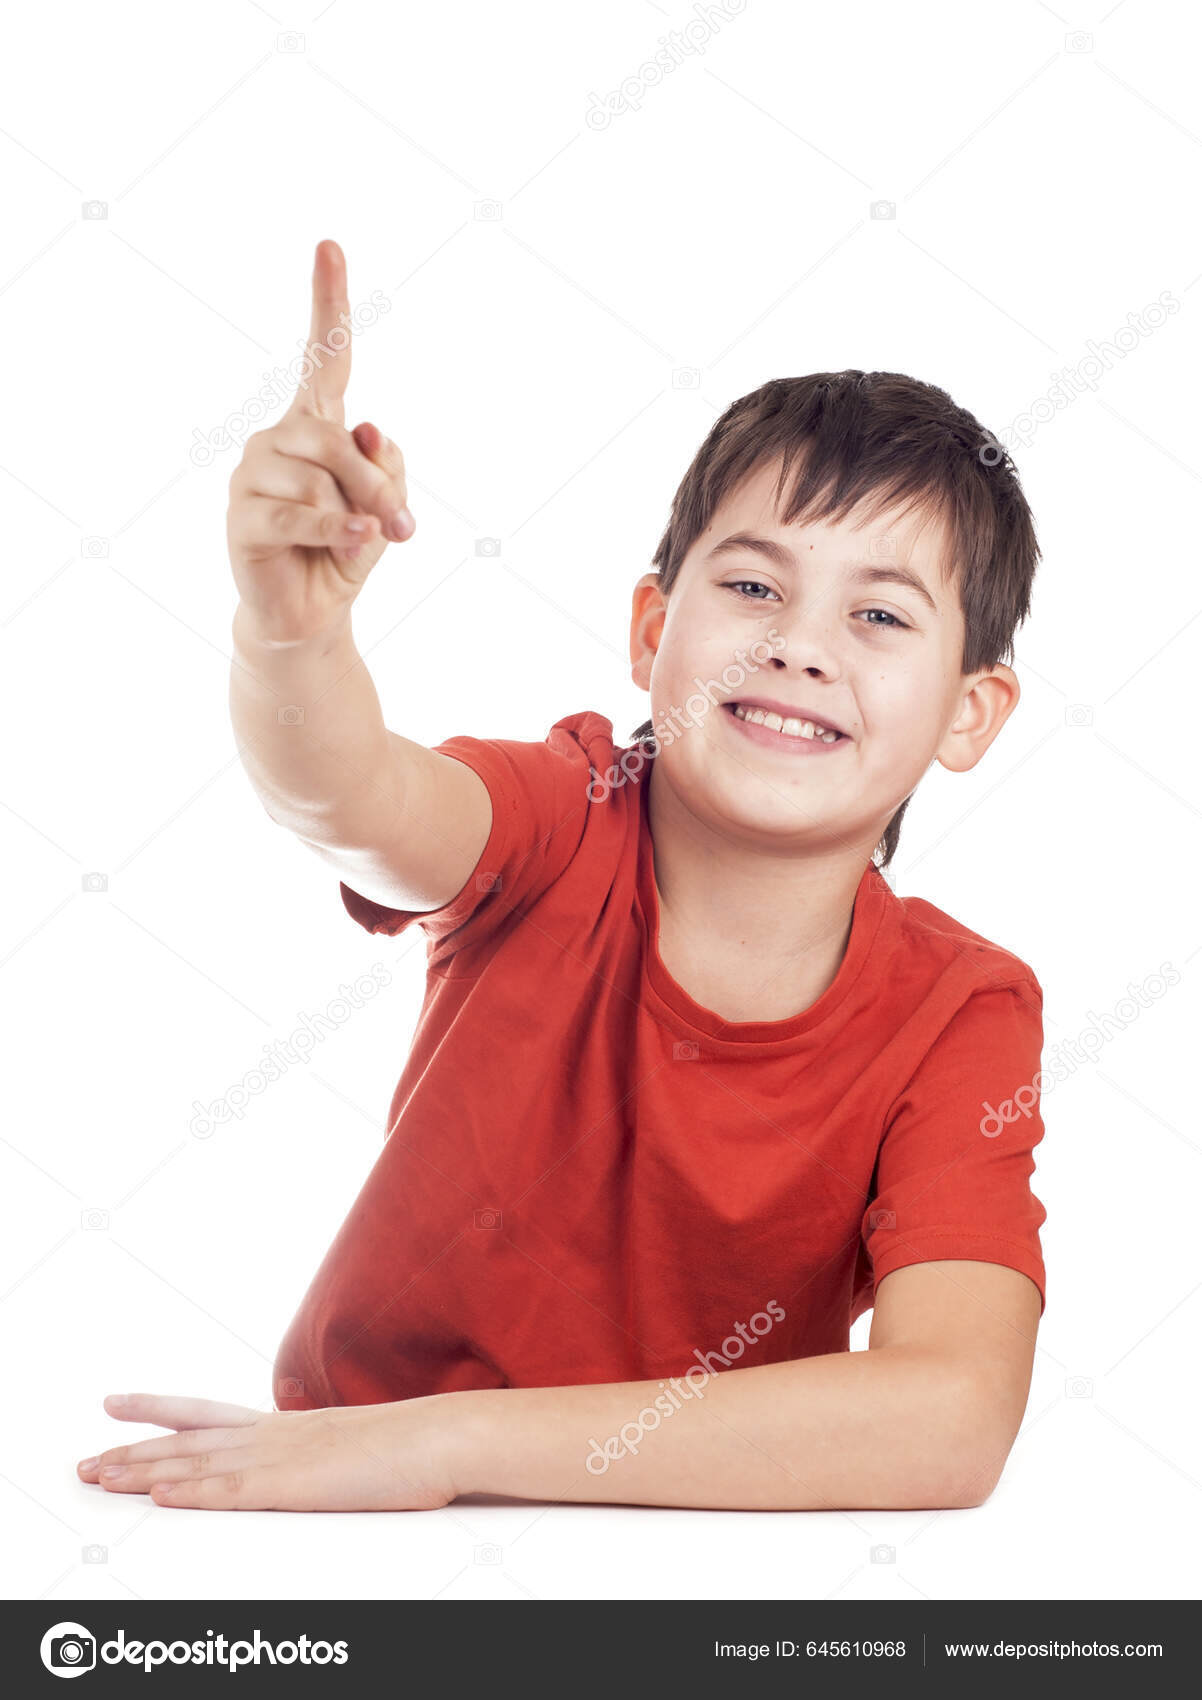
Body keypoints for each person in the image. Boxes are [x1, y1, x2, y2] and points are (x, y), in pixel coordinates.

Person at [76, 239, 1047, 1514]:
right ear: (654, 631)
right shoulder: (561, 812)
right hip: (348, 1535)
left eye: (877, 615)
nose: (797, 645)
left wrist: (441, 1444)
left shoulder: (960, 1009)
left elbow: (951, 1417)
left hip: (689, 1563)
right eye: (752, 584)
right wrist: (291, 634)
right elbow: (348, 796)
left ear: (970, 714)